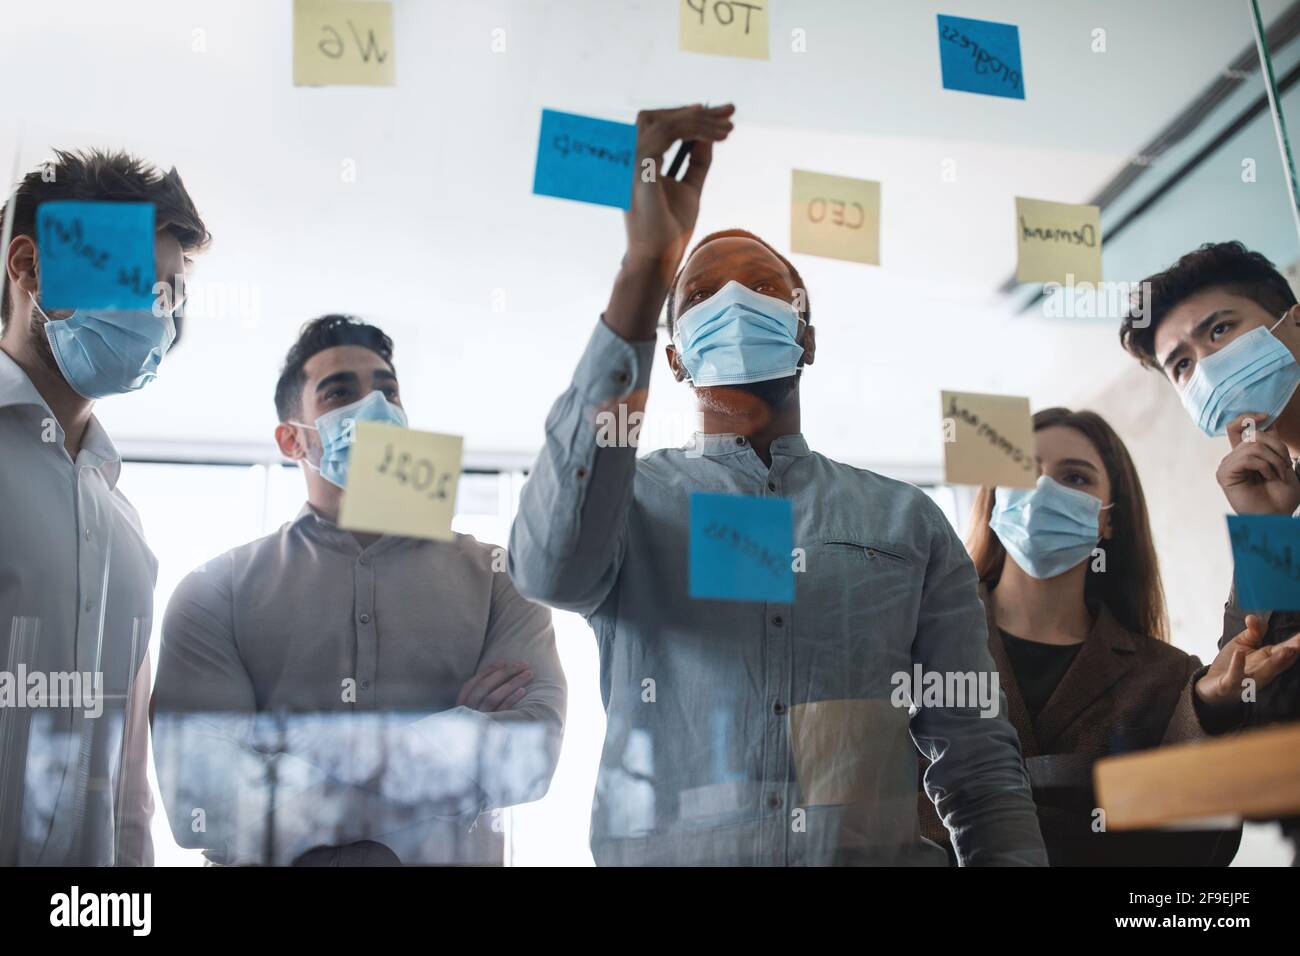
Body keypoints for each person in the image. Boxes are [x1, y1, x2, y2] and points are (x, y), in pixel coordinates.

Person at [508, 103, 1047, 866]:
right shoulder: (629, 505)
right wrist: (644, 270)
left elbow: (975, 755)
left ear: (808, 336)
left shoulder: (906, 522)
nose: (734, 304)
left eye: (764, 289)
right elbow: (545, 567)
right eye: (697, 297)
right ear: (674, 360)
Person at [151, 315, 565, 865]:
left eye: (387, 392)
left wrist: (289, 764)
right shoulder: (214, 592)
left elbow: (530, 754)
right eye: (340, 392)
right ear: (292, 439)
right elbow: (201, 804)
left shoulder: (499, 577)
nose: (376, 409)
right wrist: (454, 739)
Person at [921, 407, 1299, 865]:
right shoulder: (915, 638)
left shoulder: (1166, 676)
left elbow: (1200, 845)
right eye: (1022, 471)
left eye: (1075, 478)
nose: (1041, 489)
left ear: (1109, 519)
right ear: (995, 500)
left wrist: (1268, 526)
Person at [0, 148, 208, 865]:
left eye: (168, 293)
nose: (152, 311)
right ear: (27, 267)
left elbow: (127, 790)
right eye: (127, 275)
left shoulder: (124, 528)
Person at [1120, 242, 1300, 730]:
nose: (1207, 366)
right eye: (1182, 365)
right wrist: (1266, 530)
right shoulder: (1278, 507)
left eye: (1220, 329)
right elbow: (1268, 702)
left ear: (1294, 323)